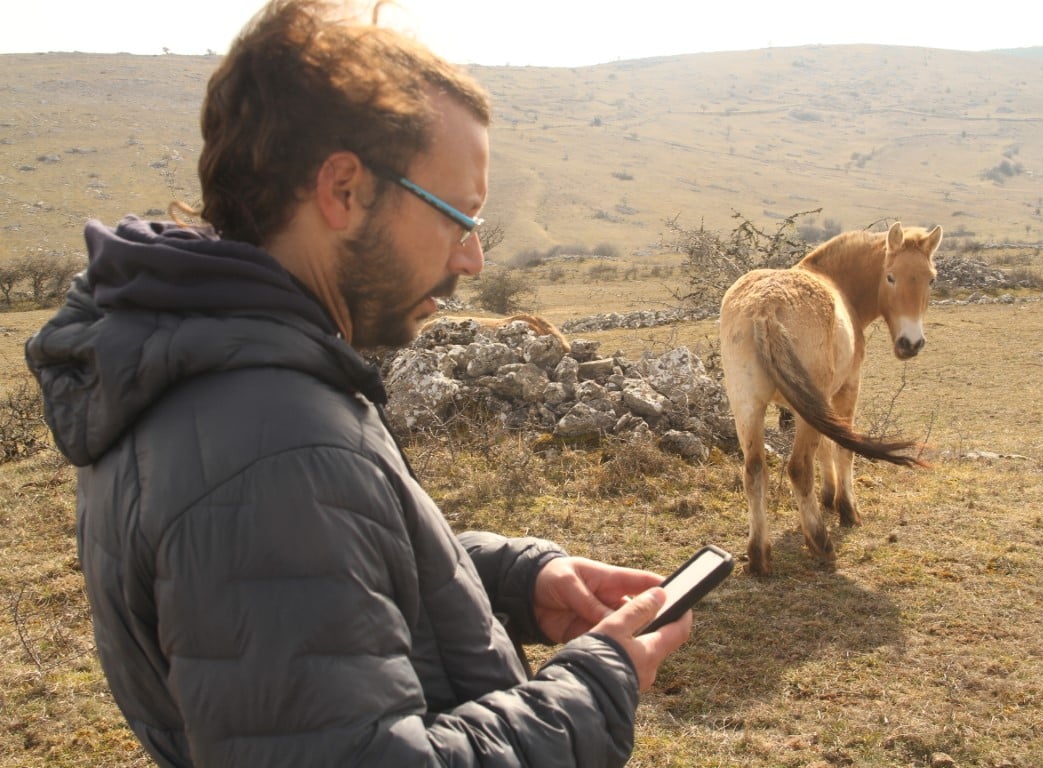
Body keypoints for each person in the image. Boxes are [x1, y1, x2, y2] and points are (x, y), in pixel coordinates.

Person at [23, 1, 692, 765]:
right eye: (457, 216)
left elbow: (306, 595)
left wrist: (511, 582)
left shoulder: (201, 365)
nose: (472, 259)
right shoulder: (274, 450)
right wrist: (593, 689)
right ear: (343, 189)